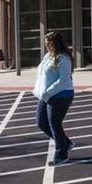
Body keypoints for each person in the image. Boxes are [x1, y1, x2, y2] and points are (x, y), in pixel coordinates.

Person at [34, 31, 75, 165]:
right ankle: (66, 143)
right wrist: (40, 91)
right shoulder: (48, 56)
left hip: (61, 95)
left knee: (55, 124)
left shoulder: (64, 58)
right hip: (46, 95)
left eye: (48, 43)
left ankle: (61, 155)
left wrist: (47, 93)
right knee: (41, 122)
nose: (46, 46)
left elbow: (63, 80)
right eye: (45, 43)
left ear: (55, 43)